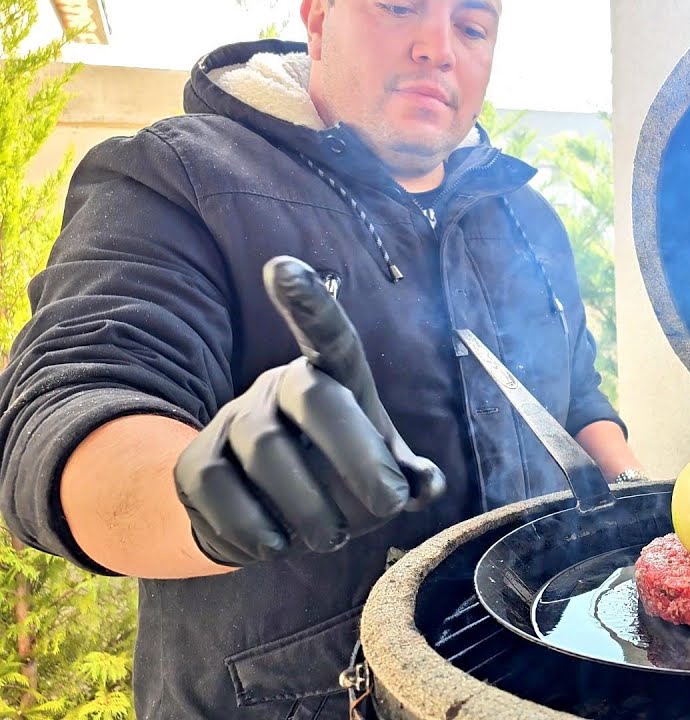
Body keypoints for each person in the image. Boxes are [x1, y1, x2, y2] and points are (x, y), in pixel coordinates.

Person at [0, 0, 644, 716]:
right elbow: (70, 403)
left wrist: (641, 516)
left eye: (472, 25)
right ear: (318, 13)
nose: (438, 47)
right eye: (400, 6)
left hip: (536, 690)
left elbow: (575, 393)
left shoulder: (526, 216)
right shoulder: (177, 175)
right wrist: (199, 495)